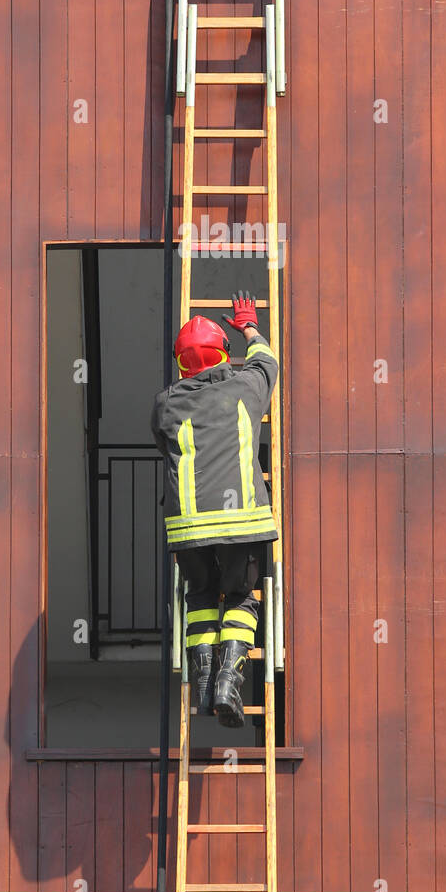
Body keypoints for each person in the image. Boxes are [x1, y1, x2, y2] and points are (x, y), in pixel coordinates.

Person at [150, 292, 278, 727]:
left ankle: (205, 682)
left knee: (202, 595)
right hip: (242, 522)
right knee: (241, 597)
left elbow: (165, 447)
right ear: (223, 353)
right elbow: (266, 363)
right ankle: (228, 679)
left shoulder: (166, 405)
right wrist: (250, 327)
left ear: (181, 364)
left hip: (189, 530)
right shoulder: (245, 388)